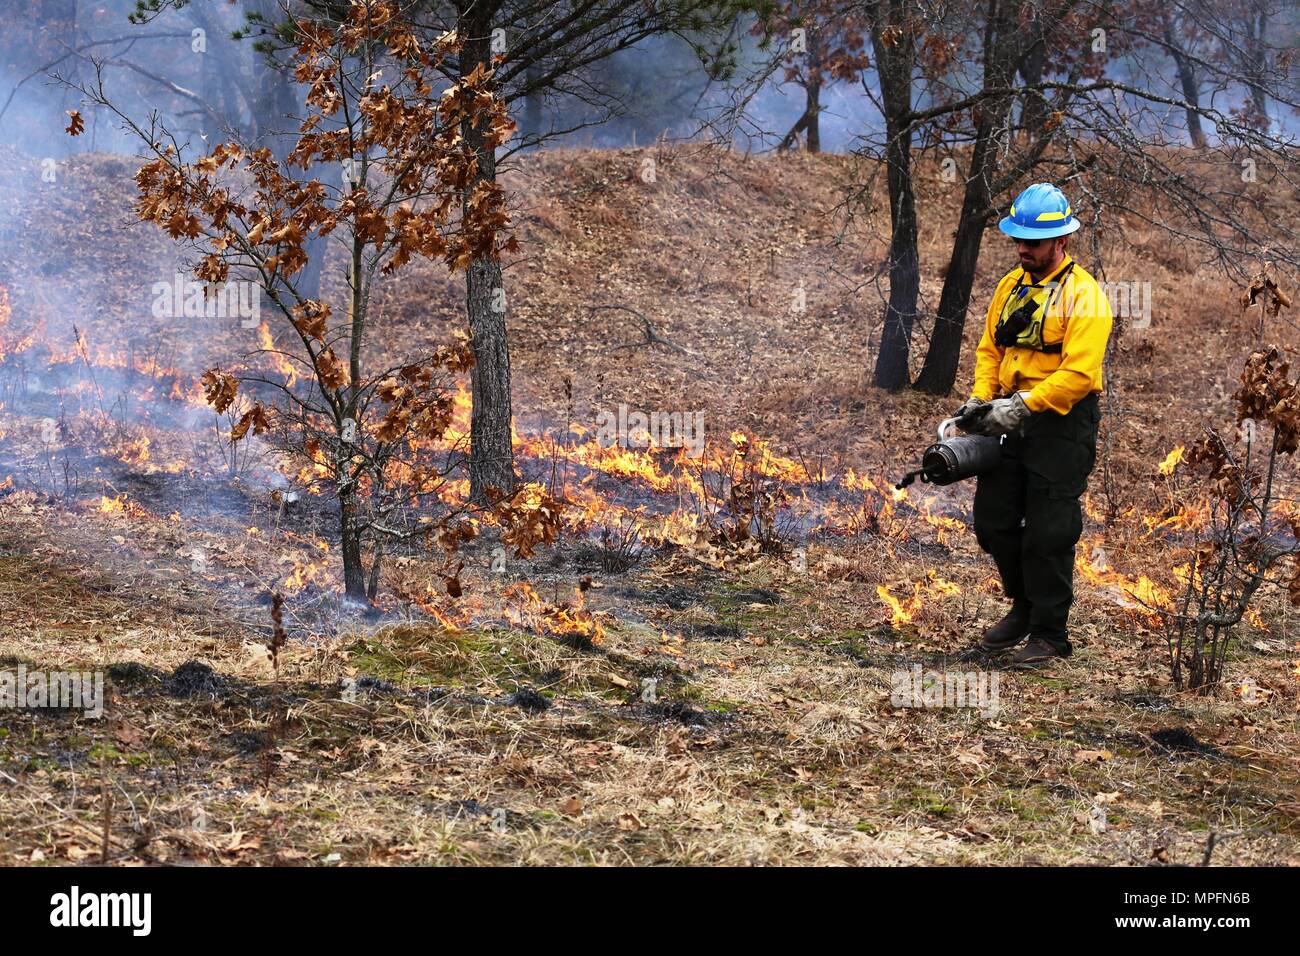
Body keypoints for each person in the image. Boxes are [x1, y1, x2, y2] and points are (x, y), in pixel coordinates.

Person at [955, 183, 1114, 668]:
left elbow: (1078, 375)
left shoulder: (1085, 297)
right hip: (1006, 416)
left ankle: (1050, 633)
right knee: (993, 522)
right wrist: (984, 398)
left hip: (1061, 423)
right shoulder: (1010, 286)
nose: (1023, 249)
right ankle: (1023, 605)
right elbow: (990, 350)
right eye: (1019, 240)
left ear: (1061, 241)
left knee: (1049, 530)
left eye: (1034, 242)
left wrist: (1023, 406)